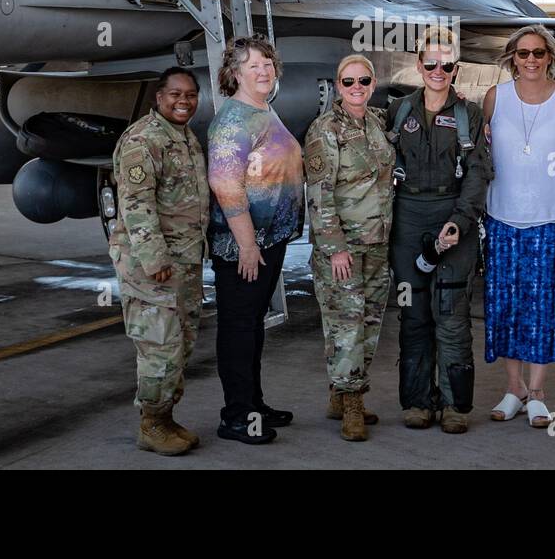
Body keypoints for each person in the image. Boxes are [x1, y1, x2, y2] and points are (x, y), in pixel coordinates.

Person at [387, 28, 492, 434]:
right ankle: (417, 401)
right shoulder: (398, 111)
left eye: (446, 64)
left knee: (451, 314)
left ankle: (455, 406)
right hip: (409, 216)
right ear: (419, 65)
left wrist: (460, 222)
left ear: (455, 68)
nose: (437, 70)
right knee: (413, 314)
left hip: (453, 215)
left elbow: (479, 173)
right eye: (429, 63)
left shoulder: (469, 114)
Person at [482, 24, 555, 428]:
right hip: (503, 215)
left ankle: (539, 391)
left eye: (538, 53)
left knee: (544, 305)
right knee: (505, 305)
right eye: (523, 54)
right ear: (512, 57)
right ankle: (514, 387)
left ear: (551, 58)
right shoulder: (496, 97)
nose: (530, 61)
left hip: (554, 217)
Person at [206, 35, 305, 445]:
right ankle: (236, 416)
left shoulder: (263, 109)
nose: (263, 71)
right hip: (244, 248)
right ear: (235, 74)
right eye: (252, 66)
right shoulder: (232, 120)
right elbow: (225, 185)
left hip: (269, 241)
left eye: (267, 63)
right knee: (239, 328)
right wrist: (247, 244)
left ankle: (253, 404)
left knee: (253, 328)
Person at [108, 66, 209, 456]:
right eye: (175, 95)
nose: (183, 101)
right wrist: (154, 259)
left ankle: (164, 416)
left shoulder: (184, 138)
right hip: (152, 266)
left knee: (180, 342)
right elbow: (135, 204)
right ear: (159, 98)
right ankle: (151, 424)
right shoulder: (143, 140)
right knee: (159, 345)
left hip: (183, 261)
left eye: (190, 95)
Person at [304, 54, 396, 441]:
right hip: (341, 249)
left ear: (373, 84)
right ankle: (353, 403)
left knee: (370, 325)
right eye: (348, 82)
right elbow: (319, 195)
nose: (356, 88)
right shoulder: (324, 130)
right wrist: (335, 247)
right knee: (346, 326)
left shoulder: (377, 122)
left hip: (377, 245)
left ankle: (341, 393)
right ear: (337, 86)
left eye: (363, 81)